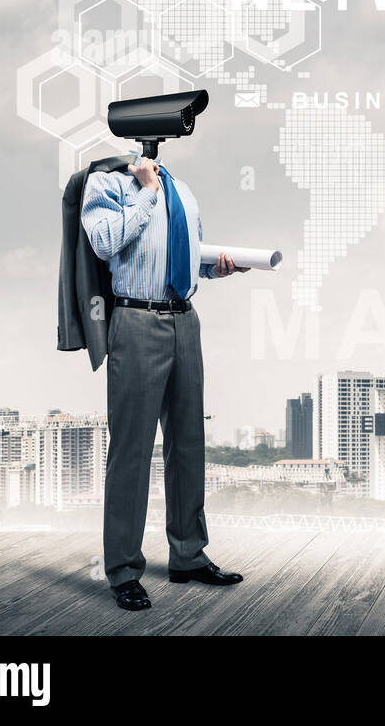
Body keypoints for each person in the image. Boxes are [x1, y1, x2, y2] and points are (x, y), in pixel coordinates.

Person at [80, 153, 248, 612]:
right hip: (135, 319)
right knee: (132, 450)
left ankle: (188, 555)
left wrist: (216, 267)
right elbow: (104, 241)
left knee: (188, 444)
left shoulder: (185, 190)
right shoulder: (107, 184)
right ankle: (123, 571)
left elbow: (184, 256)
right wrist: (148, 190)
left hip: (185, 321)